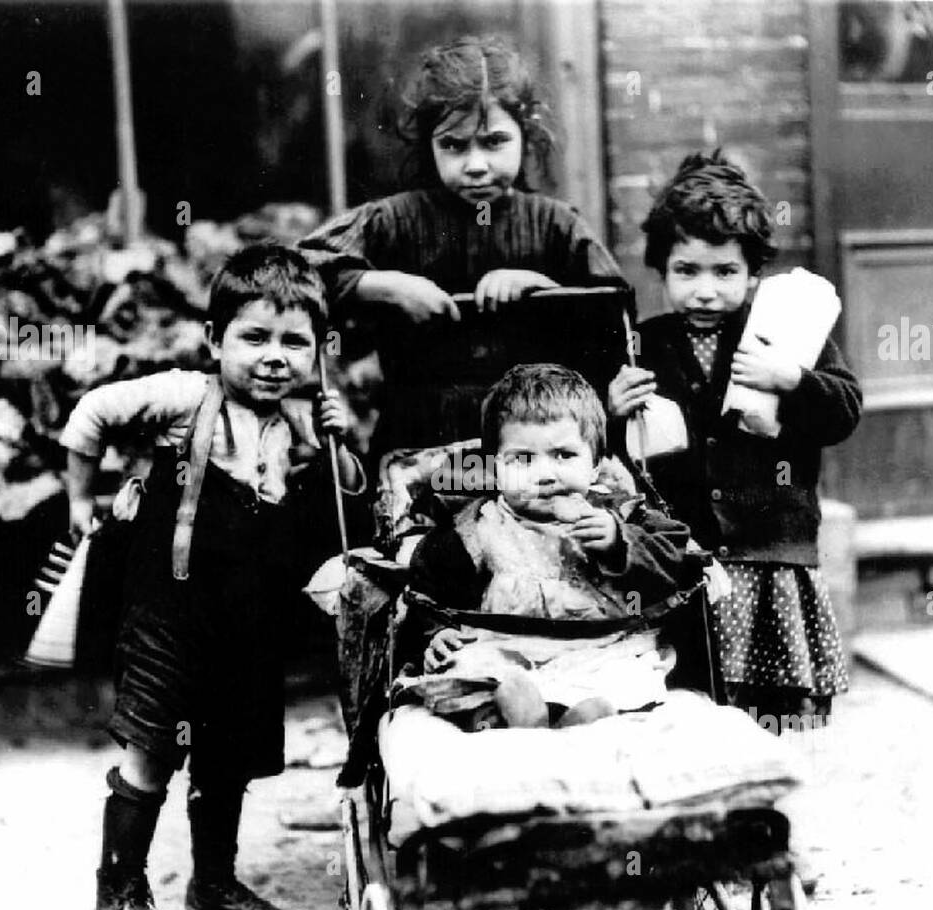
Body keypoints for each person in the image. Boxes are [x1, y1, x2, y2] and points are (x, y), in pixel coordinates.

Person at [62, 244, 366, 910]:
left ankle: (213, 885)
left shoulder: (297, 424)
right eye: (253, 337)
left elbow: (346, 499)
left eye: (293, 342)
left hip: (245, 621)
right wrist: (79, 497)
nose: (273, 357)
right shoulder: (184, 396)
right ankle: (121, 894)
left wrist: (336, 443)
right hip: (166, 616)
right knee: (150, 751)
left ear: (318, 350)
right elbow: (91, 413)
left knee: (227, 755)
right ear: (213, 339)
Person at [607, 150, 863, 732]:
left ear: (753, 275)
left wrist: (792, 380)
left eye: (724, 273)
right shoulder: (642, 347)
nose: (704, 291)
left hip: (767, 559)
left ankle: (768, 805)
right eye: (686, 271)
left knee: (770, 715)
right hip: (680, 566)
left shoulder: (786, 331)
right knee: (686, 709)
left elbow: (845, 410)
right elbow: (617, 460)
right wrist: (613, 412)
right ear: (661, 270)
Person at [297, 35, 628, 457]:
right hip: (418, 438)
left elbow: (613, 317)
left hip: (535, 440)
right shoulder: (394, 220)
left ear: (525, 134)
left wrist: (540, 288)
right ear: (429, 144)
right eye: (453, 145)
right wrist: (384, 286)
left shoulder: (556, 225)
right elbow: (299, 271)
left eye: (493, 142)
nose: (475, 165)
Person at [402, 363, 697, 730]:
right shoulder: (476, 528)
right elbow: (428, 589)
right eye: (522, 459)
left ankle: (586, 717)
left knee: (625, 675)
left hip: (596, 648)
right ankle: (509, 716)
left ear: (595, 467)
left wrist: (620, 543)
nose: (545, 474)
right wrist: (438, 633)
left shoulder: (617, 513)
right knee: (470, 668)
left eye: (563, 455)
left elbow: (675, 558)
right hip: (505, 649)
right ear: (496, 469)